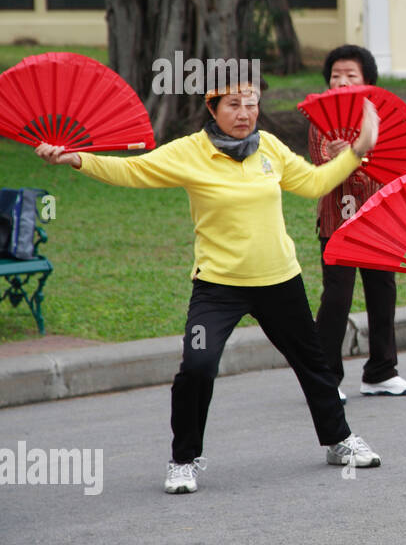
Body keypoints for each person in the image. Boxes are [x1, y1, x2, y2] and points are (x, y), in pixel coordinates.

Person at [35, 84, 383, 494]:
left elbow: (311, 182)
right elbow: (133, 170)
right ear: (213, 109)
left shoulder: (268, 146)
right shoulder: (189, 152)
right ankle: (184, 460)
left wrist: (357, 150)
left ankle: (338, 440)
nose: (244, 113)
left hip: (279, 279)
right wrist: (78, 158)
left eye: (251, 105)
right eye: (233, 105)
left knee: (314, 364)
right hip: (218, 286)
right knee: (197, 367)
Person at [310, 45, 406, 399]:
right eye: (336, 75)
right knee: (336, 297)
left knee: (382, 292)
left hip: (379, 221)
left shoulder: (383, 114)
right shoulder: (321, 117)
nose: (341, 81)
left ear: (367, 80)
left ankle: (381, 372)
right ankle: (324, 378)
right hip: (336, 221)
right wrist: (339, 157)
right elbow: (318, 163)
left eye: (350, 75)